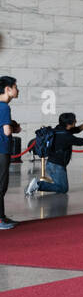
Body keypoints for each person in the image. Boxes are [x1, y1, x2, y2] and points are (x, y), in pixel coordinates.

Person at [27, 113, 83, 196]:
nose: (76, 121)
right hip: (57, 166)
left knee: (61, 186)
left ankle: (34, 186)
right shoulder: (66, 137)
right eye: (74, 120)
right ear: (68, 124)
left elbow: (77, 129)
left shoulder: (59, 129)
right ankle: (38, 185)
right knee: (63, 188)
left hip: (52, 164)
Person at [0, 76, 20, 229]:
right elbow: (7, 132)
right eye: (15, 87)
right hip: (2, 149)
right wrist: (12, 128)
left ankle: (2, 216)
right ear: (8, 89)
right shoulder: (5, 107)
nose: (17, 90)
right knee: (1, 184)